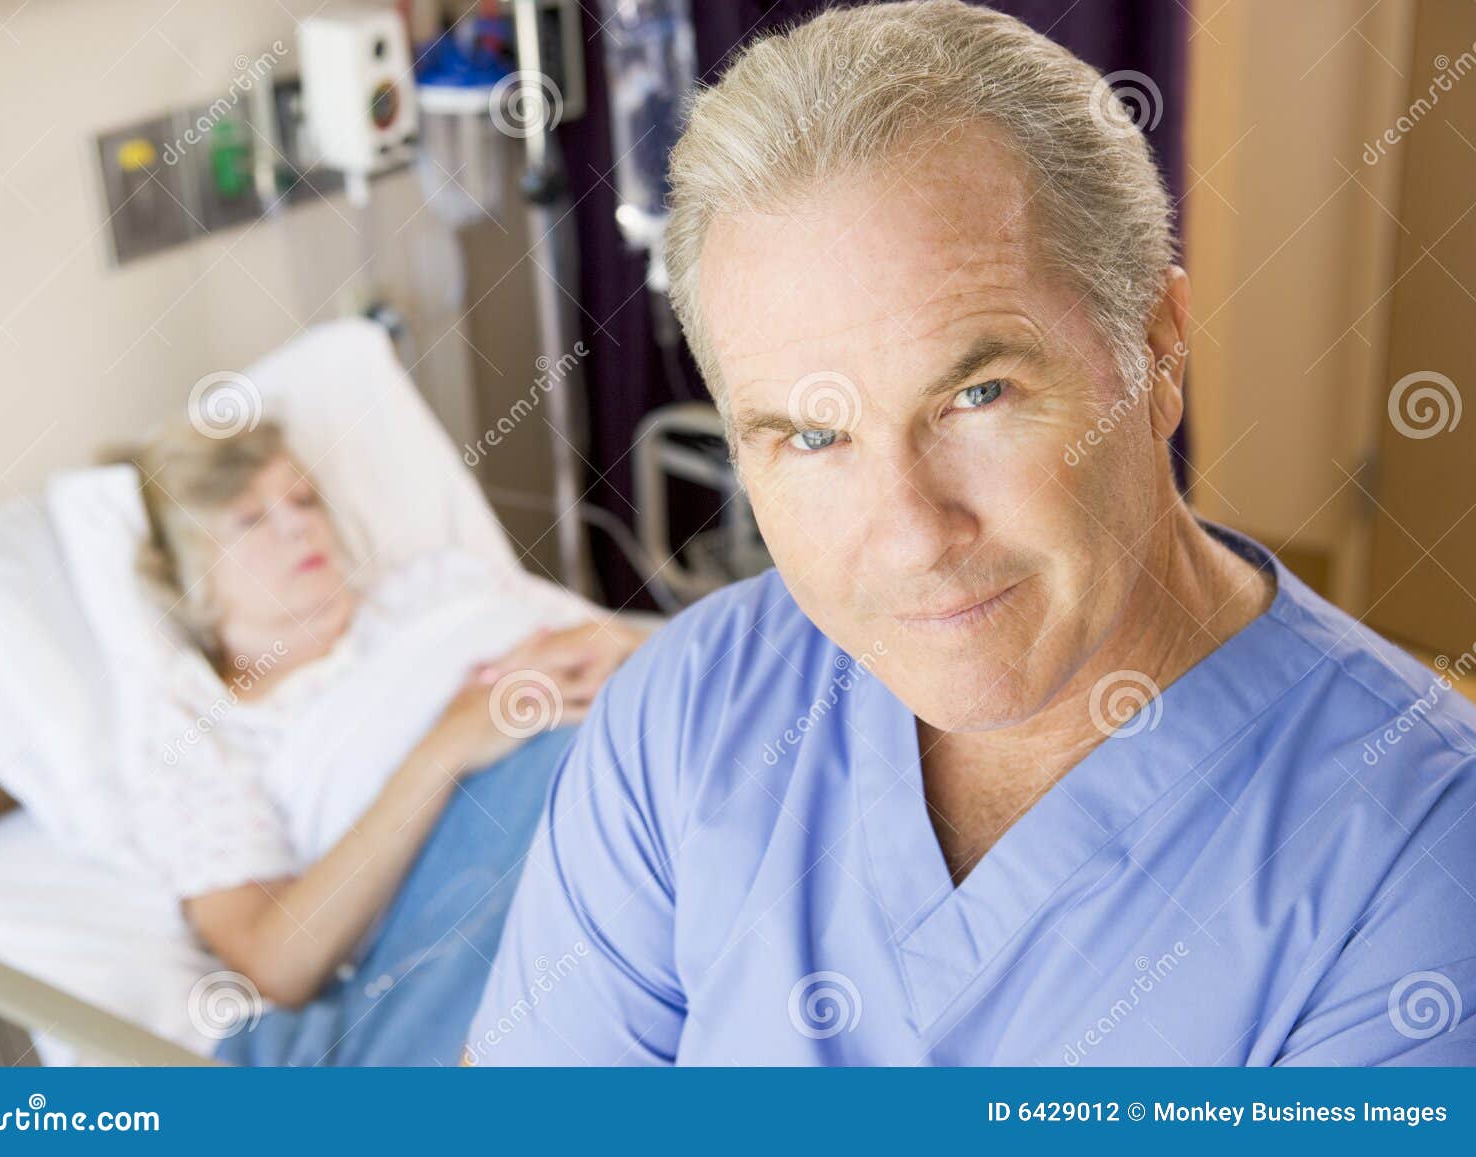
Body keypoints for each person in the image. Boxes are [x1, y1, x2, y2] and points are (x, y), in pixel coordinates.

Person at [467, 0, 1476, 1065]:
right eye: (813, 434)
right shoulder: (680, 719)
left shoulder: (1415, 866)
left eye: (978, 394)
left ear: (1159, 351)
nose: (909, 534)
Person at [108, 420, 648, 1016]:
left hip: (634, 742)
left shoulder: (437, 584)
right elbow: (274, 963)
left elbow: (631, 644)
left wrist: (608, 644)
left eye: (304, 500)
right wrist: (452, 741)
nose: (298, 526)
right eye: (250, 520)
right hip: (509, 854)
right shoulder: (204, 728)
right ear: (183, 571)